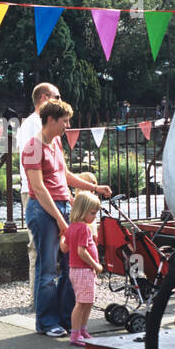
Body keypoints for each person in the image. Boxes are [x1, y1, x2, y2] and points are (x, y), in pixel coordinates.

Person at [22, 98, 111, 336]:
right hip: (43, 211)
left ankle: (65, 318)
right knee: (48, 269)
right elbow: (39, 189)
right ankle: (47, 322)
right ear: (51, 120)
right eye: (64, 120)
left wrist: (95, 188)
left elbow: (65, 175)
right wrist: (62, 222)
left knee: (71, 265)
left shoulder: (56, 143)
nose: (67, 125)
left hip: (62, 206)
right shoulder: (33, 147)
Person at [17, 82, 60, 291]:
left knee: (48, 246)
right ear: (44, 98)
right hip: (35, 191)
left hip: (44, 191)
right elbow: (34, 165)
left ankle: (44, 294)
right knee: (38, 245)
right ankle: (38, 296)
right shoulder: (34, 124)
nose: (60, 101)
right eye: (57, 97)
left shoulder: (43, 124)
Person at [60, 191, 102, 346]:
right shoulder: (84, 228)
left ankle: (82, 330)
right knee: (81, 303)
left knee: (87, 301)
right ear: (83, 211)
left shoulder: (72, 227)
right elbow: (81, 251)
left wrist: (62, 236)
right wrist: (95, 265)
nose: (94, 217)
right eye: (92, 213)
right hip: (83, 270)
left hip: (77, 271)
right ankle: (76, 334)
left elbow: (64, 248)